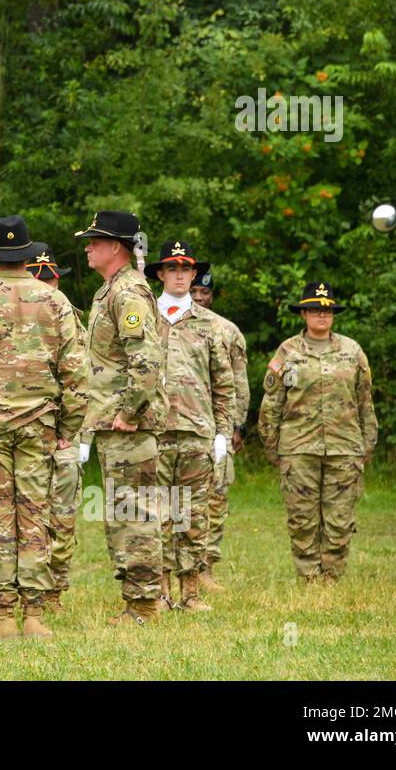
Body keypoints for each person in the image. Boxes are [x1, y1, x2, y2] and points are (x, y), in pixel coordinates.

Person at [0, 216, 86, 640]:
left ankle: (5, 615)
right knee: (35, 515)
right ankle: (34, 616)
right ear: (26, 256)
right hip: (39, 426)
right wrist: (68, 426)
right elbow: (75, 371)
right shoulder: (55, 302)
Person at [73, 210, 167, 625]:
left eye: (95, 240)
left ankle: (146, 604)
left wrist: (130, 412)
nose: (88, 247)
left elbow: (146, 359)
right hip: (113, 422)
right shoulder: (110, 291)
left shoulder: (128, 293)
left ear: (116, 247)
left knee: (135, 512)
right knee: (120, 511)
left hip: (128, 424)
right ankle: (136, 601)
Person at [258, 281, 377, 583]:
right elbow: (272, 402)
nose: (321, 315)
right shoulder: (288, 350)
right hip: (298, 448)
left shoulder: (352, 351)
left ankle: (332, 576)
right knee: (302, 518)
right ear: (303, 314)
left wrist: (367, 444)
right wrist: (272, 446)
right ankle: (309, 576)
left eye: (326, 310)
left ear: (333, 314)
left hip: (344, 447)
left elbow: (365, 401)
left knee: (339, 518)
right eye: (314, 310)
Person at [144, 240, 234, 611]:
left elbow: (223, 382)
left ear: (194, 274)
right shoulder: (145, 316)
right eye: (172, 269)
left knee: (195, 515)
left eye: (186, 270)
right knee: (157, 512)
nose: (180, 275)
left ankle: (191, 593)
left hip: (197, 430)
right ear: (161, 274)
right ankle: (161, 593)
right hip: (155, 430)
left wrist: (222, 433)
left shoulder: (211, 325)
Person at [25, 241, 86, 611]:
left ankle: (54, 591)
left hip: (61, 433)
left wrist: (73, 431)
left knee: (62, 515)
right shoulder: (12, 319)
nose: (49, 287)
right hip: (24, 429)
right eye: (40, 279)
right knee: (25, 515)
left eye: (54, 280)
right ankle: (25, 589)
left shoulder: (71, 318)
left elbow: (80, 377)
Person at [188, 269, 249, 591]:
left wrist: (238, 424)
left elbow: (238, 381)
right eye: (194, 291)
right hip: (182, 425)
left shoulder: (226, 331)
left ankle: (205, 566)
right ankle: (179, 568)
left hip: (217, 426)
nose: (199, 297)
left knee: (216, 497)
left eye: (204, 292)